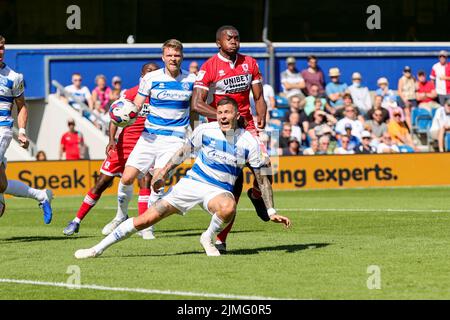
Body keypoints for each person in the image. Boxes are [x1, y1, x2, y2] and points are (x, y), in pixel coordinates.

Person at [74, 98, 291, 259]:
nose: (223, 116)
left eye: (227, 113)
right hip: (192, 183)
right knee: (145, 220)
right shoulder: (206, 130)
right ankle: (97, 249)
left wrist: (271, 210)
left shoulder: (249, 142)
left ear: (236, 115)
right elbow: (183, 152)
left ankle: (208, 237)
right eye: (220, 112)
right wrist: (163, 173)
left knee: (228, 206)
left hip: (218, 189)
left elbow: (262, 178)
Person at [191, 25, 272, 252]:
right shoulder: (209, 67)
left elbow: (259, 96)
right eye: (229, 39)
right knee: (233, 188)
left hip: (247, 126)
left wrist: (262, 116)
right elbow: (197, 103)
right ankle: (220, 239)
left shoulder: (250, 63)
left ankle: (257, 195)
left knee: (265, 169)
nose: (234, 41)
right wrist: (220, 116)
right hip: (223, 130)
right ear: (219, 43)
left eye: (237, 38)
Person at [105, 39, 196, 242]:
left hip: (174, 140)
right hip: (149, 137)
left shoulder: (192, 79)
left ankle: (148, 226)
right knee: (127, 178)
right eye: (169, 55)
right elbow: (136, 106)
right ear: (163, 57)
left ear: (182, 57)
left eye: (177, 55)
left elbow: (194, 109)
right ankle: (121, 215)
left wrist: (194, 133)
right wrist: (124, 114)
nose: (173, 59)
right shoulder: (151, 78)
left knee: (157, 182)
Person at [63, 63, 160, 238]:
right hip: (123, 147)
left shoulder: (161, 97)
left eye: (155, 72)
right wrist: (111, 139)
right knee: (102, 183)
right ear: (142, 75)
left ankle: (144, 226)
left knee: (146, 180)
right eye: (148, 72)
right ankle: (77, 220)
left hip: (145, 146)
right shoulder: (130, 94)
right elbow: (115, 117)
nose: (152, 75)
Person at [0, 35, 53, 222]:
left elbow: (22, 106)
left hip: (2, 129)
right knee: (1, 184)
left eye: (2, 47)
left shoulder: (14, 78)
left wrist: (21, 131)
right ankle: (41, 195)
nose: (0, 52)